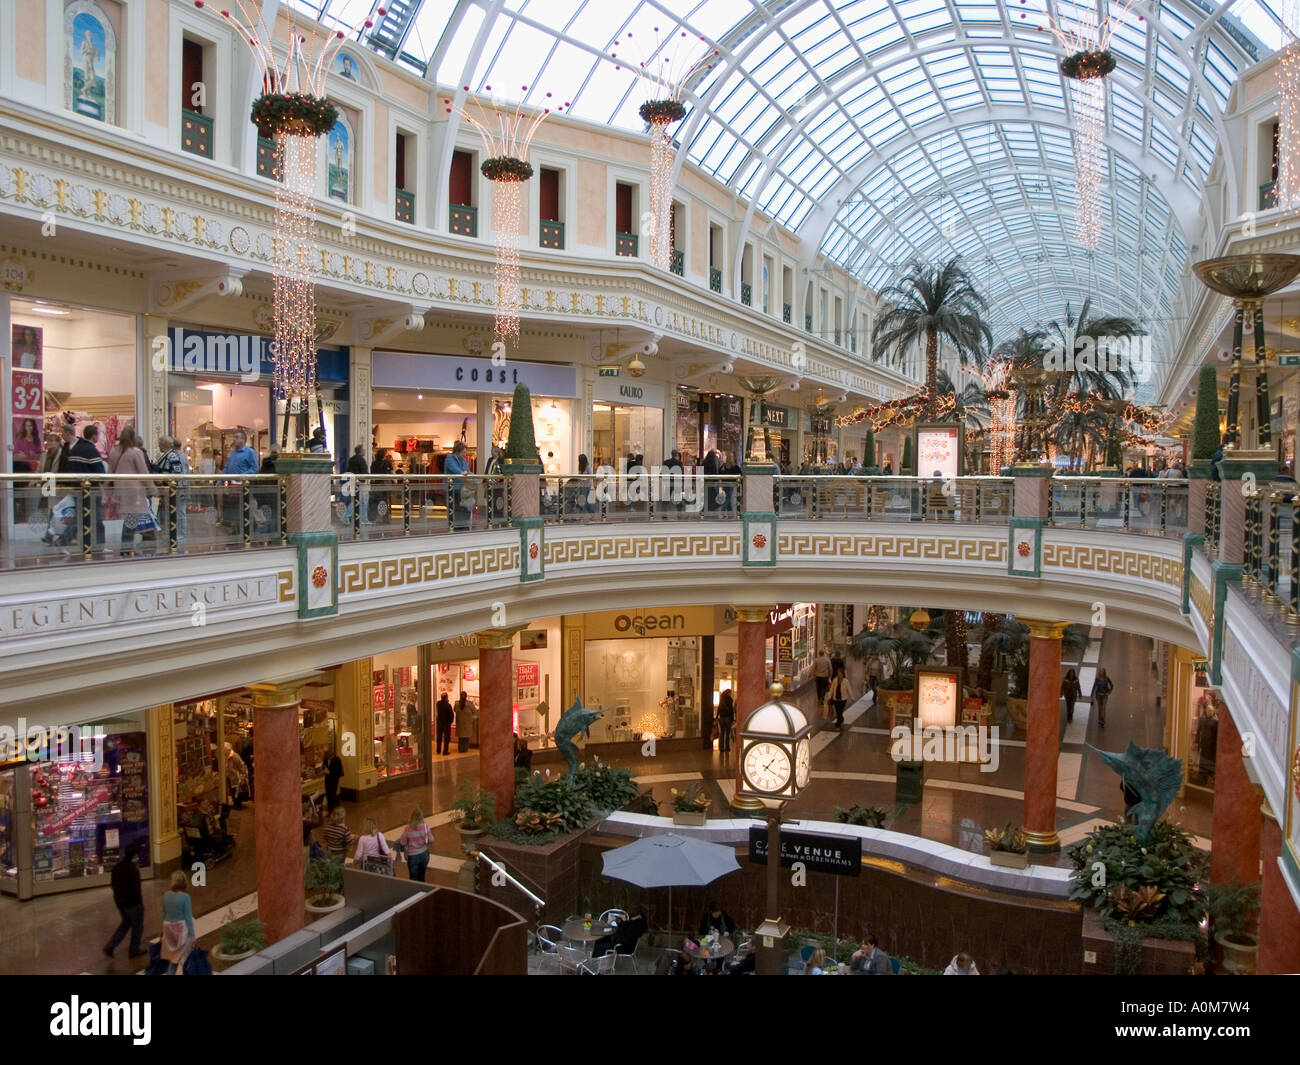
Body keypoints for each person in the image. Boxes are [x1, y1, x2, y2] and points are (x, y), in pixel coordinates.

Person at [108, 426, 156, 556]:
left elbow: (110, 471)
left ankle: (126, 547)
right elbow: (143, 472)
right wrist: (152, 488)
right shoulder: (135, 452)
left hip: (120, 489)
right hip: (134, 490)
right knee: (133, 518)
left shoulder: (114, 451)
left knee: (129, 518)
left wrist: (107, 491)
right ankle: (127, 547)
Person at [102, 843, 146, 959]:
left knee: (126, 923)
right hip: (133, 904)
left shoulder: (117, 867)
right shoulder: (133, 870)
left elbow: (112, 884)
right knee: (137, 927)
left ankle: (111, 945)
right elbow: (136, 890)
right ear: (134, 856)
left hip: (120, 903)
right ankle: (134, 950)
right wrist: (140, 904)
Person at [153, 434, 189, 540]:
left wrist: (165, 481)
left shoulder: (172, 456)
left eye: (159, 444)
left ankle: (179, 535)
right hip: (169, 490)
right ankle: (171, 533)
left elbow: (176, 474)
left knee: (179, 512)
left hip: (174, 490)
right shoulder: (168, 455)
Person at [160, 870, 195, 975]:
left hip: (169, 930)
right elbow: (188, 917)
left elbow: (164, 914)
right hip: (181, 930)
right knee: (187, 959)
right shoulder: (185, 897)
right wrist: (192, 935)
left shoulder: (166, 895)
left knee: (173, 960)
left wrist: (162, 932)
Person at [398, 808, 432, 882]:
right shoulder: (425, 827)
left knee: (413, 878)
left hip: (412, 856)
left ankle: (415, 892)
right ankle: (422, 891)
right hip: (424, 854)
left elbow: (402, 843)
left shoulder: (407, 829)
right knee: (422, 875)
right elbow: (431, 840)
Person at [444, 439, 470, 529]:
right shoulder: (450, 458)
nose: (465, 454)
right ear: (457, 451)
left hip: (461, 488)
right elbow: (453, 468)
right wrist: (461, 473)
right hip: (452, 488)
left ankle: (462, 523)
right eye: (463, 452)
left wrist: (467, 474)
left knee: (462, 506)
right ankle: (454, 524)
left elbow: (466, 469)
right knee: (454, 506)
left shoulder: (463, 459)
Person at [224, 742, 249, 809]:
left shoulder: (235, 756)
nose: (224, 752)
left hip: (236, 777)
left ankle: (238, 805)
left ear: (228, 750)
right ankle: (236, 804)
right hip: (230, 777)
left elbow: (241, 766)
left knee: (237, 791)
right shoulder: (227, 756)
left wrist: (243, 775)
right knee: (233, 791)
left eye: (224, 750)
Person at [716, 687, 736, 756]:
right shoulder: (729, 699)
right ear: (728, 693)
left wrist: (716, 717)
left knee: (722, 733)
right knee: (727, 734)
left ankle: (721, 748)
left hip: (721, 718)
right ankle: (727, 748)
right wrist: (733, 719)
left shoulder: (721, 699)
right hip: (728, 718)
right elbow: (731, 710)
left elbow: (718, 708)